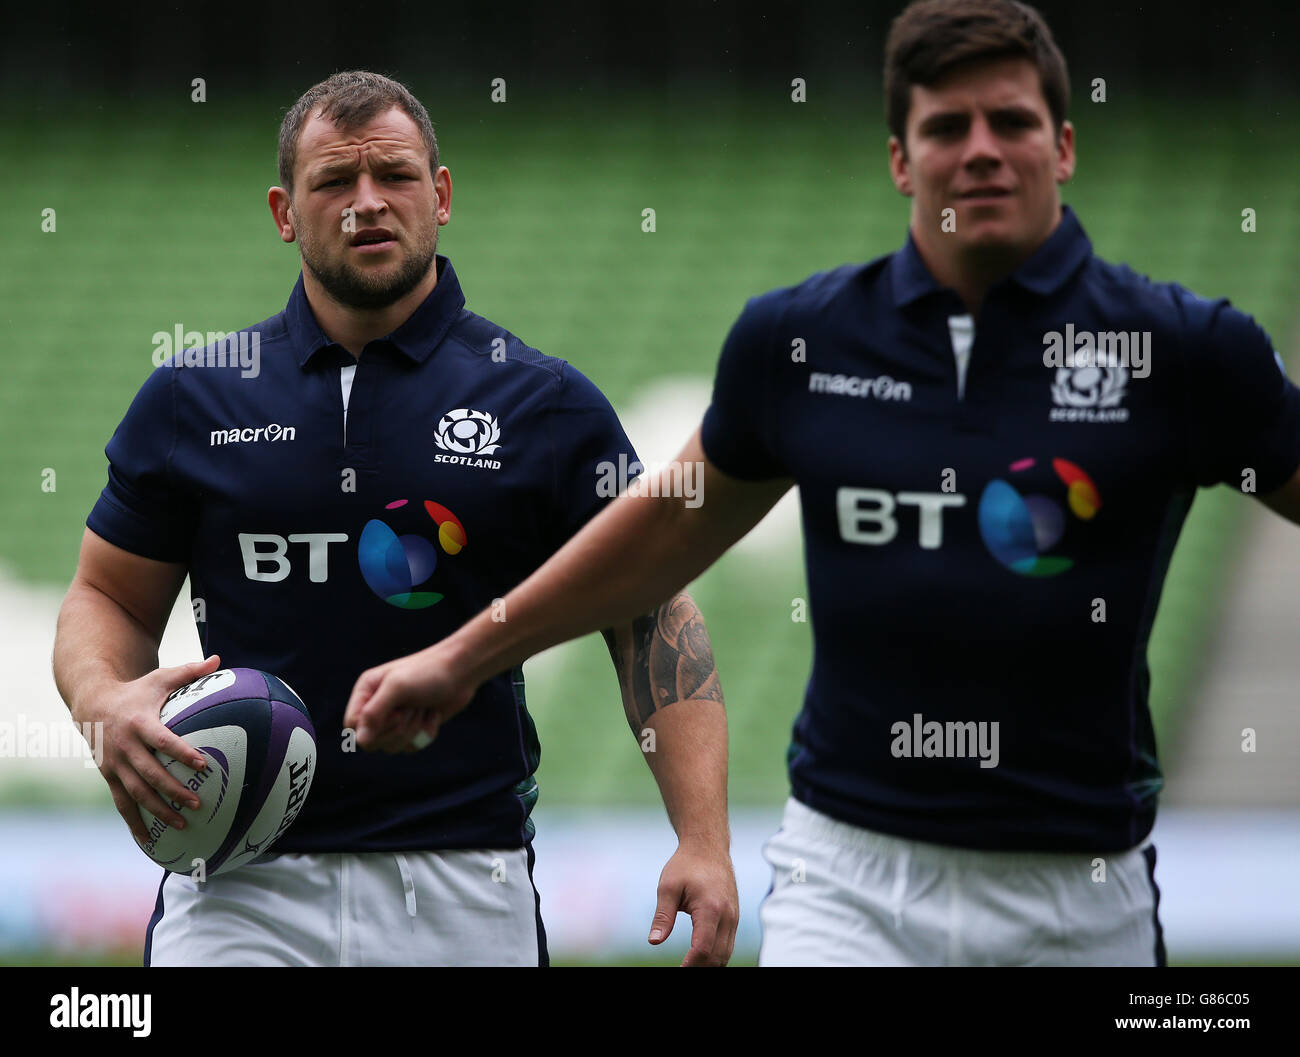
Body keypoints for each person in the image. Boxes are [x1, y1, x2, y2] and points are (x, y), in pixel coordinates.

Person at [345, 1, 1300, 966]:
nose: (981, 150)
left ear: (1062, 146)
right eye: (944, 127)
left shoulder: (1183, 352)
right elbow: (657, 538)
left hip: (1080, 896)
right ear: (900, 158)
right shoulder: (802, 342)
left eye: (1010, 122)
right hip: (847, 888)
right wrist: (461, 657)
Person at [52, 70, 738, 967]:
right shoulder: (193, 397)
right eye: (334, 182)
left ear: (441, 195)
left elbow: (652, 614)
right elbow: (107, 595)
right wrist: (103, 701)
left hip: (462, 884)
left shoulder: (545, 402)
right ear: (284, 212)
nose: (367, 202)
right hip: (234, 884)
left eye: (396, 176)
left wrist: (702, 836)